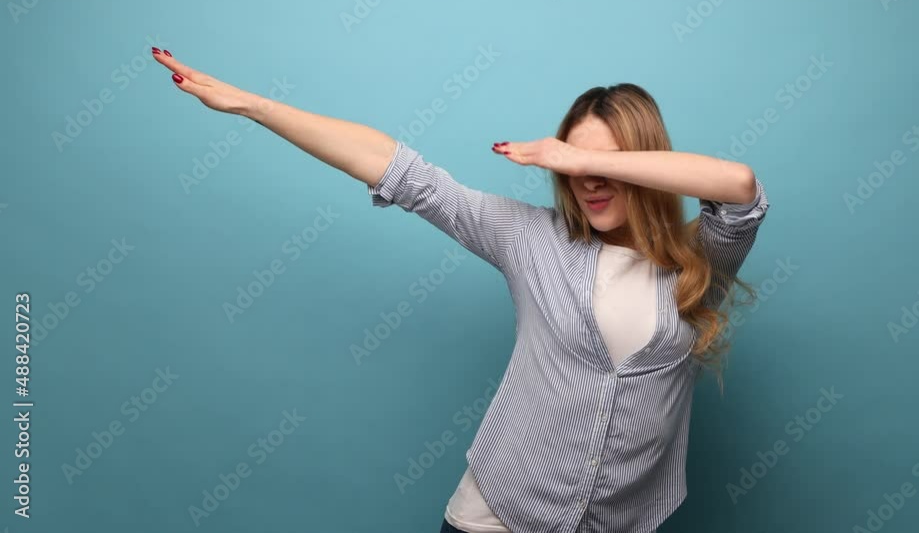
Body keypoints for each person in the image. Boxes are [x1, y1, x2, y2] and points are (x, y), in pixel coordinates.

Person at [153, 47, 769, 533]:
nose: (587, 183)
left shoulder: (698, 259)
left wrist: (582, 159)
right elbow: (400, 169)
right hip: (498, 515)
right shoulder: (532, 240)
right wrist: (255, 106)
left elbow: (738, 184)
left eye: (606, 166)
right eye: (572, 167)